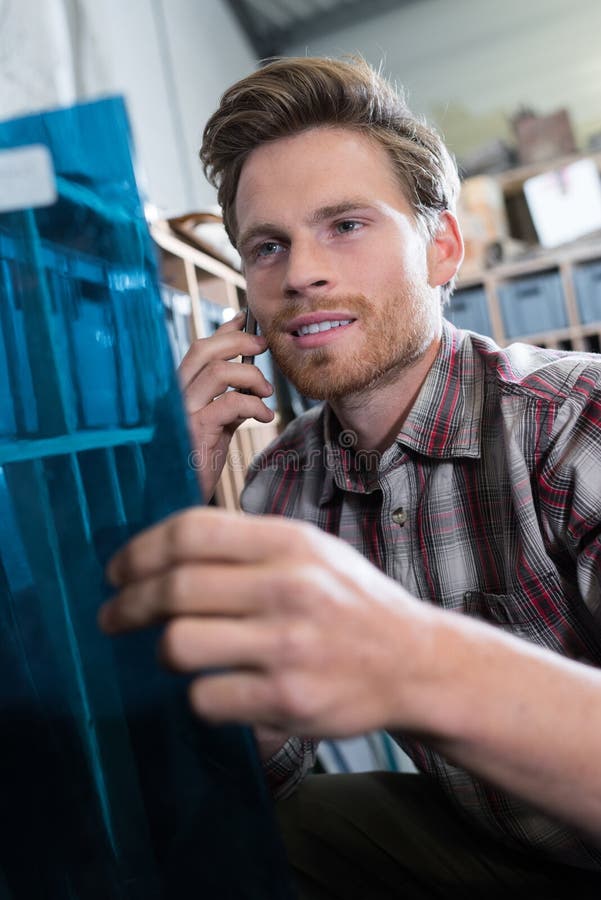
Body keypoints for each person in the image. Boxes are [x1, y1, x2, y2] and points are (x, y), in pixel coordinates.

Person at [99, 57, 601, 897]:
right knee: (265, 835)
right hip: (493, 846)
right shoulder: (282, 484)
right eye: (269, 246)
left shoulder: (572, 420)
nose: (300, 273)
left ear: (442, 247)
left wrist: (405, 659)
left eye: (344, 225)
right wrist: (167, 498)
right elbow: (260, 771)